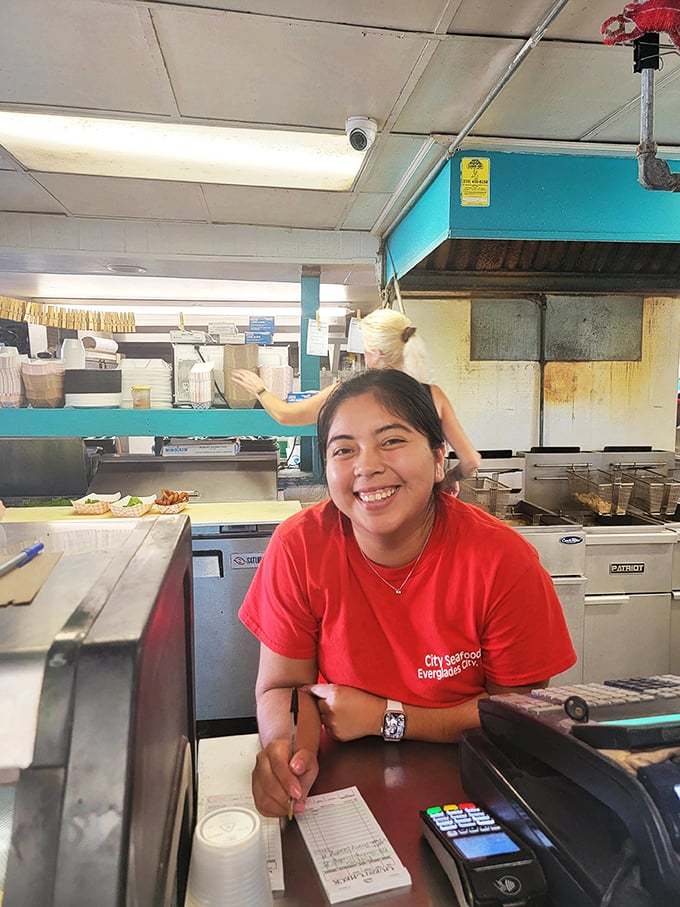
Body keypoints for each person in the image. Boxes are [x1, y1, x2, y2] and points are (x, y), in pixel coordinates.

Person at [238, 369, 576, 818]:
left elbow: (515, 714)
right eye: (343, 450)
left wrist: (385, 717)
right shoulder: (300, 546)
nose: (366, 465)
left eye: (392, 440)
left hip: (474, 782)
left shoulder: (502, 560)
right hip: (346, 785)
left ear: (439, 459)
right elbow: (285, 687)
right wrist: (290, 756)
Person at [230, 308, 482, 479]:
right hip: (425, 510)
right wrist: (449, 480)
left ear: (377, 353)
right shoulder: (434, 395)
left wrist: (260, 389)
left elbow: (287, 416)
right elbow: (470, 461)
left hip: (369, 503)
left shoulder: (348, 394)